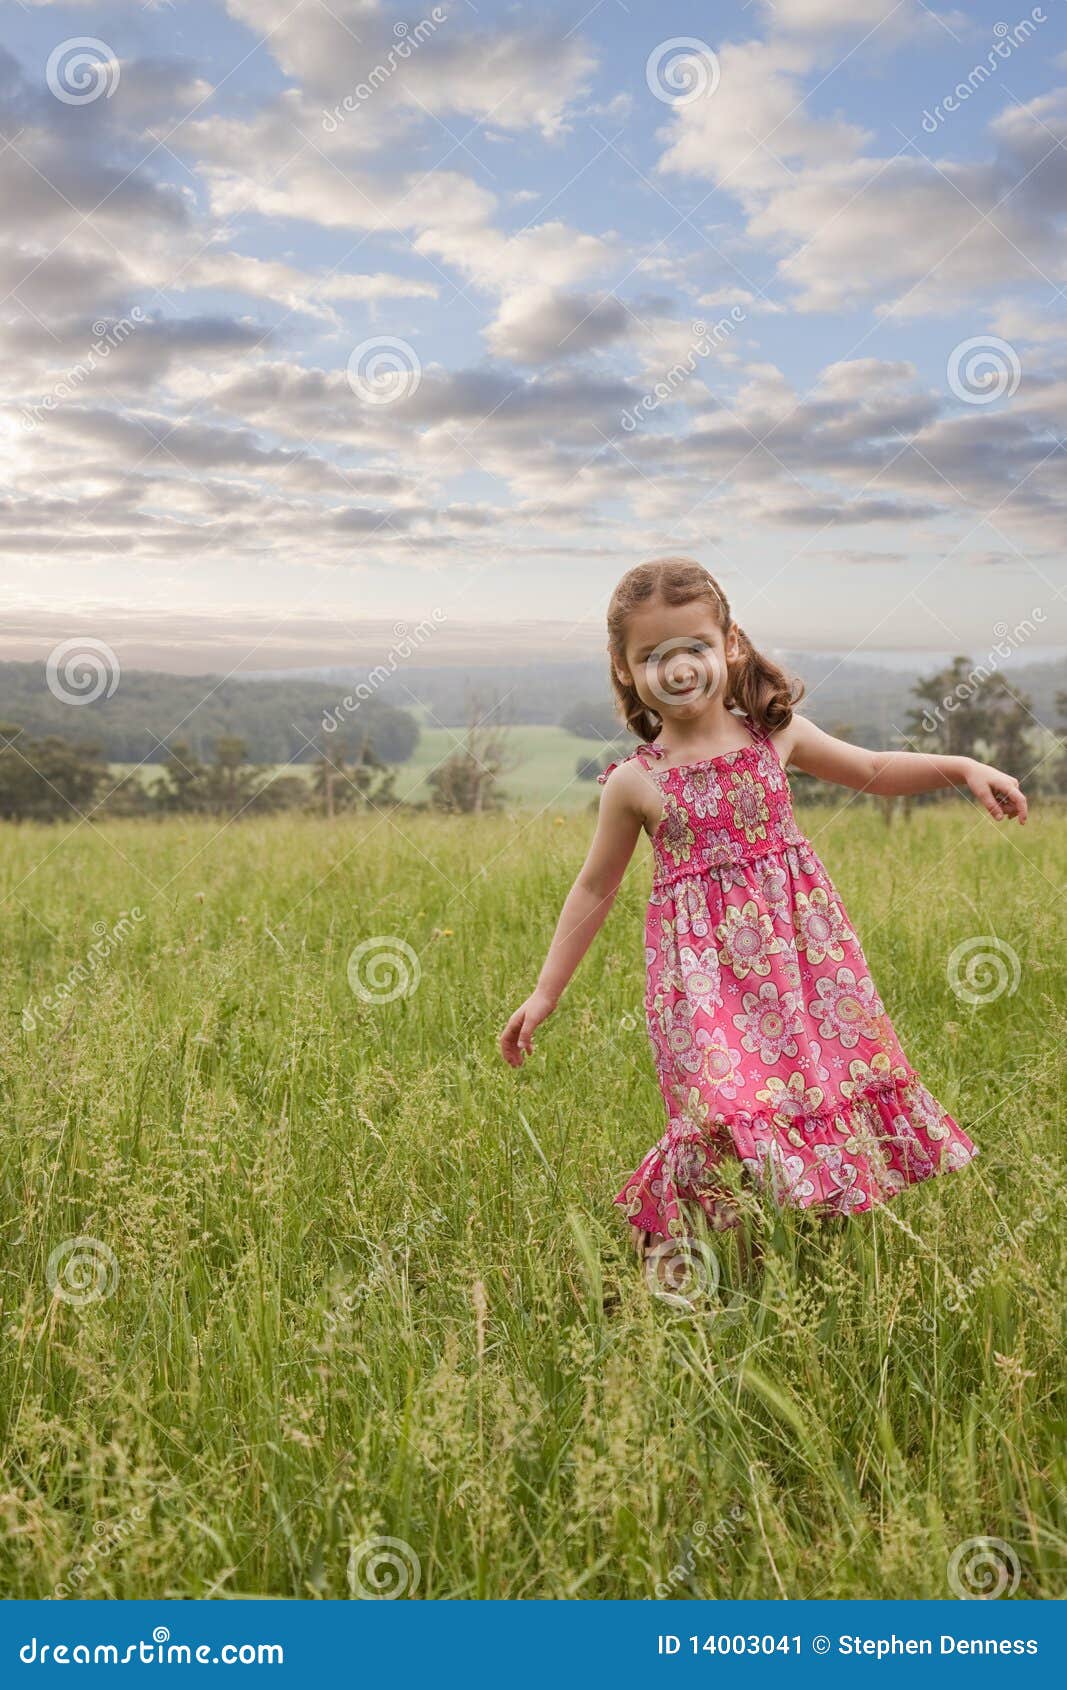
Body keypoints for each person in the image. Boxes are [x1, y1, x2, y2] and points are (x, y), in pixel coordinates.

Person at [499, 557, 1027, 1280]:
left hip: (805, 968)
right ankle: (669, 1285)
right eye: (651, 655)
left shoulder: (773, 737)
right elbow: (594, 888)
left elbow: (872, 770)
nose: (676, 668)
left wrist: (960, 767)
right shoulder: (633, 782)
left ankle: (807, 1270)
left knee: (817, 1095)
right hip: (704, 989)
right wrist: (544, 992)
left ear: (730, 645)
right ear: (624, 671)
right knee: (720, 1119)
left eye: (693, 647)